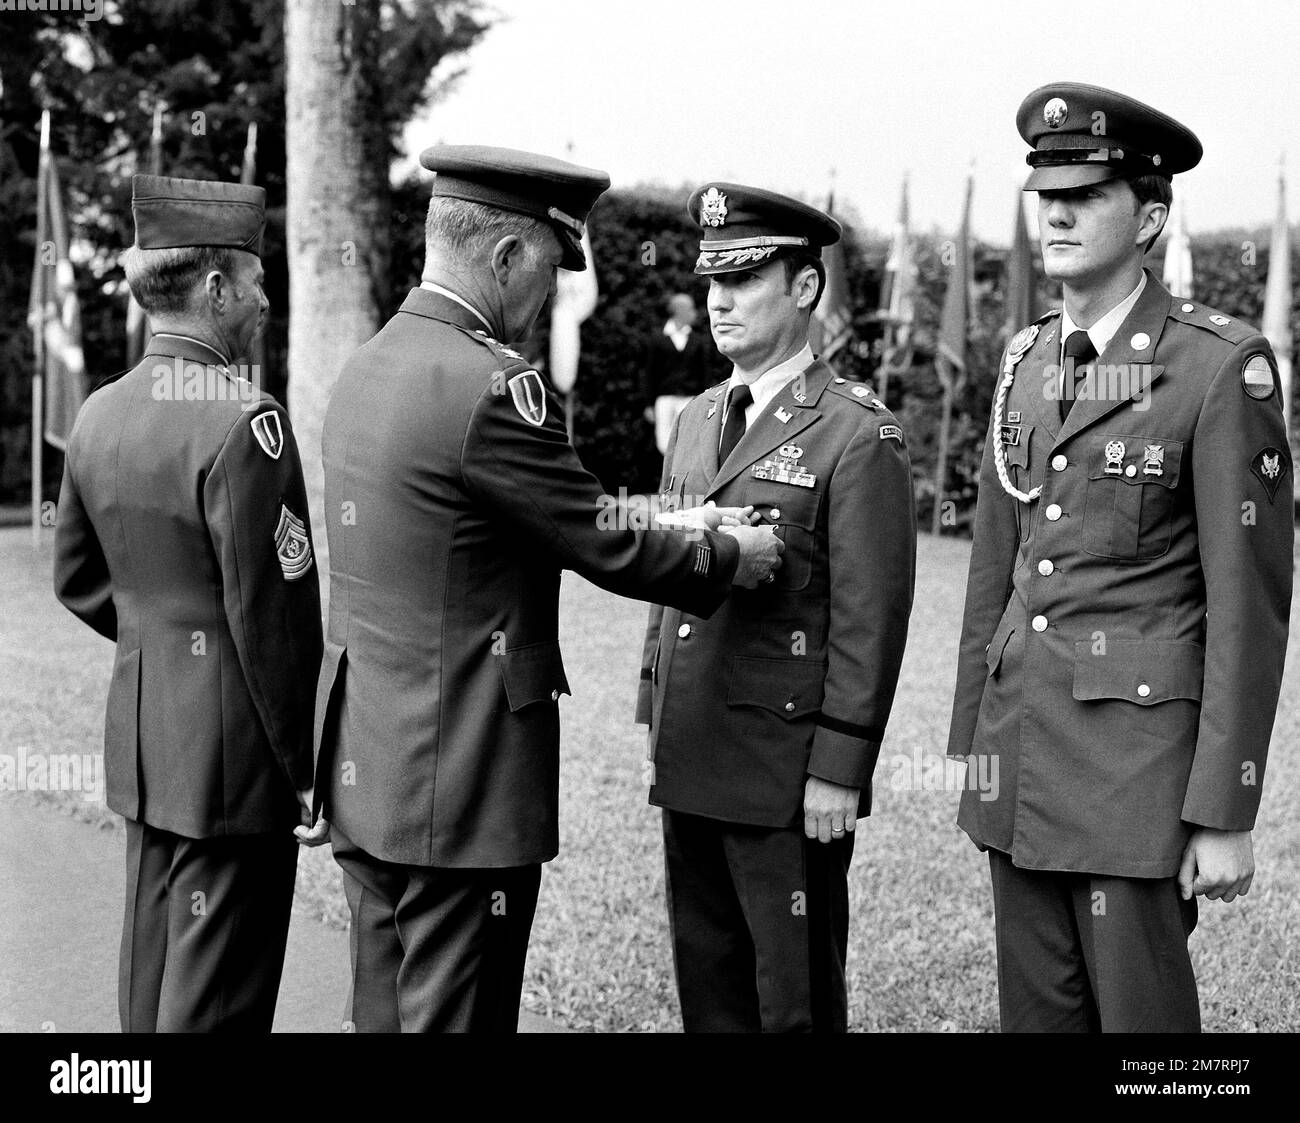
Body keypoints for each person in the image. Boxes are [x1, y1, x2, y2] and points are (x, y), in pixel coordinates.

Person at [307, 146, 783, 1034]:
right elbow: (596, 537)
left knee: (384, 1011)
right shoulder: (492, 385)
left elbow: (514, 515)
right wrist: (726, 556)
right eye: (553, 272)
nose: (549, 298)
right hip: (461, 775)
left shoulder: (368, 363)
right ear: (508, 257)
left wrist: (681, 525)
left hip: (371, 766)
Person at [946, 83, 1293, 1032]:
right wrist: (970, 760)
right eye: (1046, 190)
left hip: (1134, 775)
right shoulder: (1024, 362)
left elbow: (1248, 607)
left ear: (1149, 214)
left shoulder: (1219, 367)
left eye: (1087, 191)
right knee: (1039, 1020)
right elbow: (995, 580)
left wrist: (1226, 809)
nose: (1055, 209)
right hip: (1019, 756)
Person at [635, 183, 917, 1032]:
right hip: (691, 751)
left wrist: (840, 767)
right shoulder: (696, 417)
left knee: (791, 1001)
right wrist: (655, 712)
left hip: (784, 771)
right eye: (712, 280)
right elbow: (670, 579)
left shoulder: (857, 434)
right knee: (710, 988)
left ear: (803, 287)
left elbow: (873, 622)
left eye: (745, 279)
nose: (719, 300)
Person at [53, 174, 322, 1032]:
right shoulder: (245, 420)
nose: (264, 299)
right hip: (232, 768)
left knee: (152, 983)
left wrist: (158, 646)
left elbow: (78, 578)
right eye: (254, 280)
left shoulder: (97, 414)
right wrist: (308, 769)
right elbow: (272, 626)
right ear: (213, 288)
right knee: (218, 1003)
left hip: (144, 745)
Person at [643, 292, 713, 453]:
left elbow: (704, 372)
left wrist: (707, 401)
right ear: (679, 311)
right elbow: (650, 372)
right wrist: (648, 403)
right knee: (663, 442)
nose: (694, 313)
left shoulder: (697, 340)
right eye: (690, 309)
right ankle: (668, 476)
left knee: (688, 440)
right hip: (665, 398)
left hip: (690, 398)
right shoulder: (658, 338)